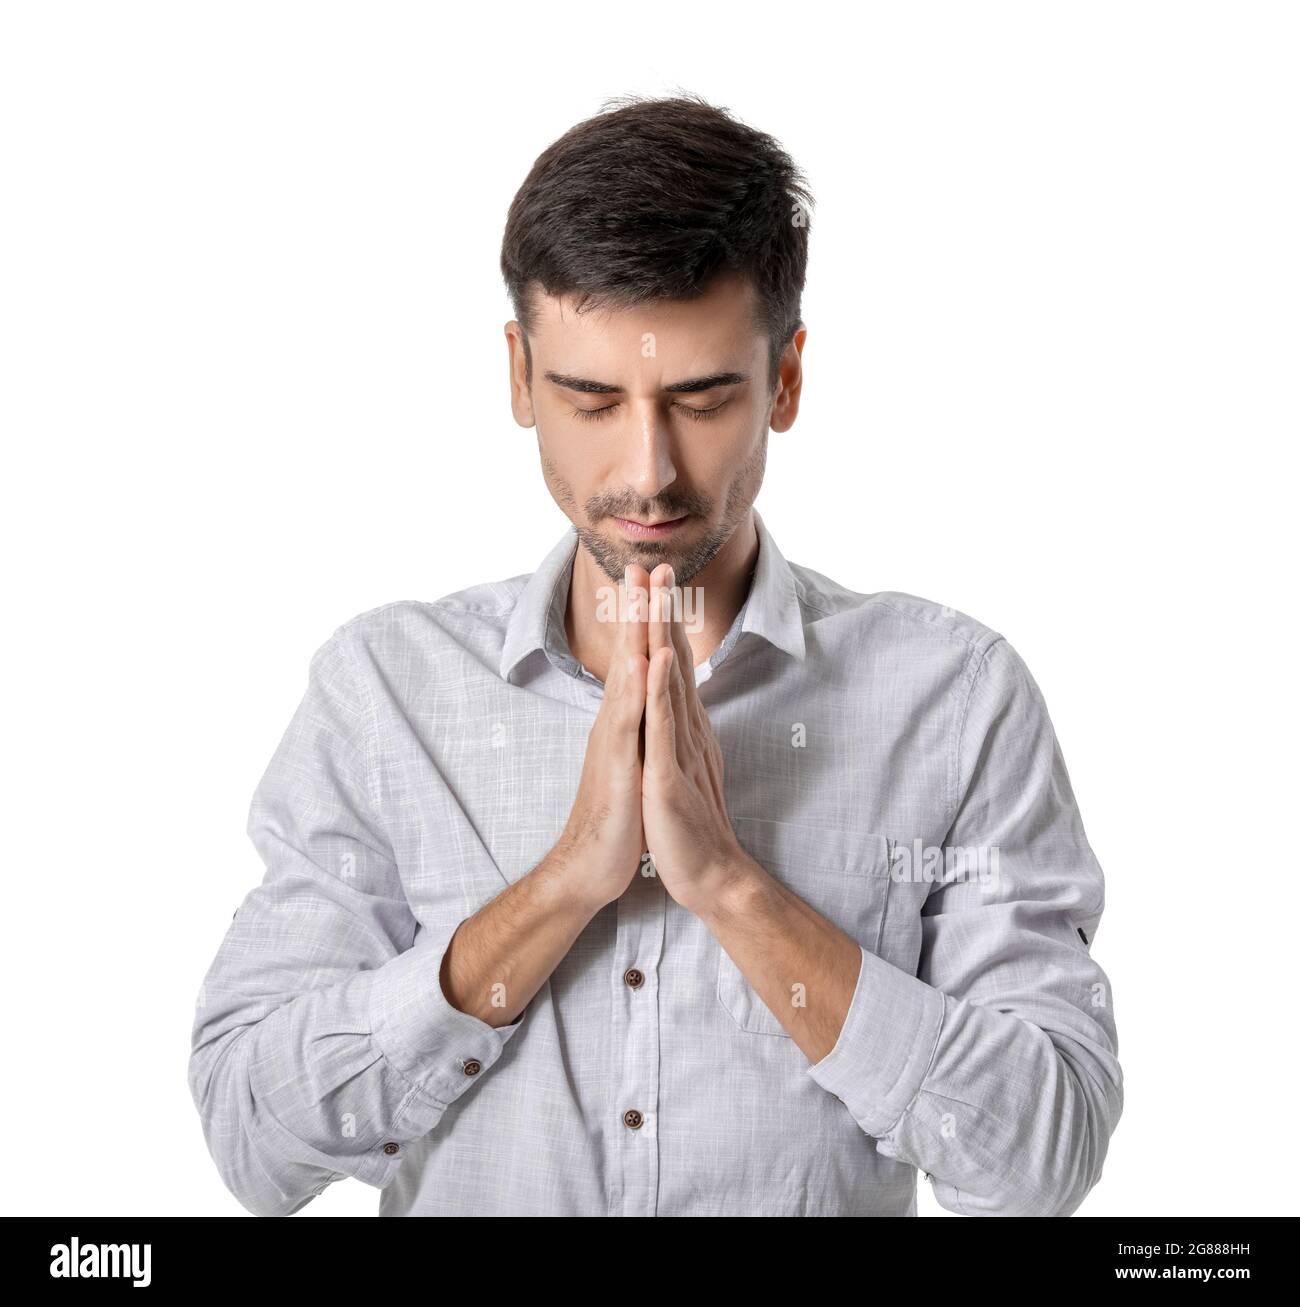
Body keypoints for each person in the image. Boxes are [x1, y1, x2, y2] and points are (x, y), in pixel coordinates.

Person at [189, 93, 1122, 1217]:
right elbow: (254, 1138)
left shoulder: (954, 698)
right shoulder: (386, 692)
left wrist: (730, 887)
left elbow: (1043, 1156)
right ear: (519, 376)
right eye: (590, 397)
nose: (647, 471)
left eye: (700, 398)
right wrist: (565, 880)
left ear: (783, 380)